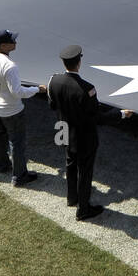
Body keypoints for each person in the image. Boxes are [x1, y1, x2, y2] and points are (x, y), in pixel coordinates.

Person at [0, 30, 45, 186]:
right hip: (11, 111)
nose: (15, 43)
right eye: (12, 41)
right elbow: (18, 92)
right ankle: (19, 176)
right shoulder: (10, 66)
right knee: (17, 142)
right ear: (4, 45)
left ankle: (2, 165)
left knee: (0, 139)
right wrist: (37, 89)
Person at [47, 44, 105, 220]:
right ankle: (83, 208)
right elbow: (97, 117)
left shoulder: (53, 81)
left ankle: (72, 197)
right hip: (83, 136)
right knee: (85, 171)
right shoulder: (87, 88)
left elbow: (52, 105)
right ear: (78, 62)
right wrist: (121, 115)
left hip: (63, 131)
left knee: (70, 164)